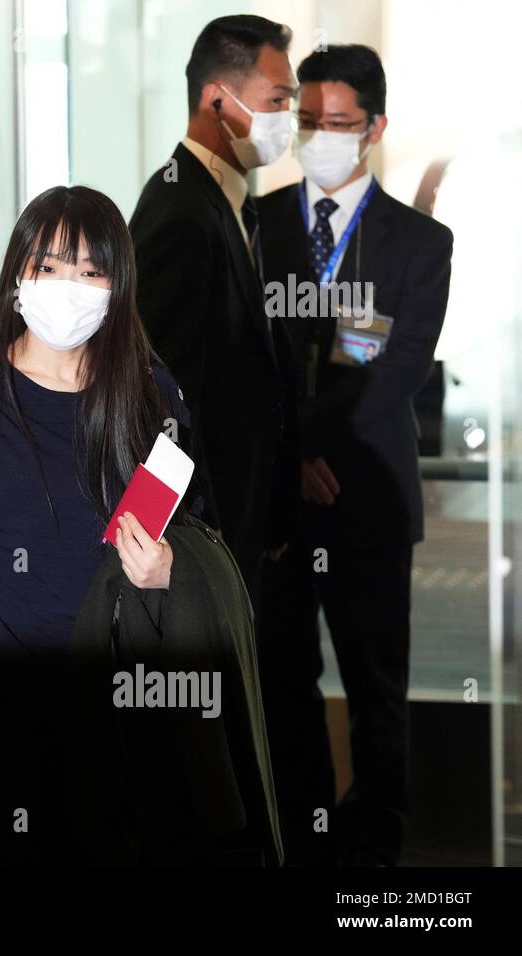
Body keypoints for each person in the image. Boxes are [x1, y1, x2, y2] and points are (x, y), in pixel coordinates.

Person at [0, 185, 203, 865]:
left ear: (117, 285)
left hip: (121, 722)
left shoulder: (151, 397)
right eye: (47, 267)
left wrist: (169, 568)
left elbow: (198, 541)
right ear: (17, 276)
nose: (66, 287)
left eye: (89, 271)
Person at [256, 44, 453, 866]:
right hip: (280, 501)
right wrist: (291, 458)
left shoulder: (418, 242)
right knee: (283, 680)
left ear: (374, 128)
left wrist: (315, 447)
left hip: (367, 495)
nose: (321, 137)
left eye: (338, 123)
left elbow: (397, 366)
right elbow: (245, 361)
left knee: (377, 690)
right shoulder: (256, 223)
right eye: (307, 121)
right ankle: (302, 838)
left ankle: (371, 854)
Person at [129, 14, 299, 608]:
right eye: (277, 100)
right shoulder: (180, 211)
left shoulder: (231, 202)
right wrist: (183, 538)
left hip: (243, 520)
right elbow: (158, 392)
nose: (288, 118)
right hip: (201, 534)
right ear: (217, 100)